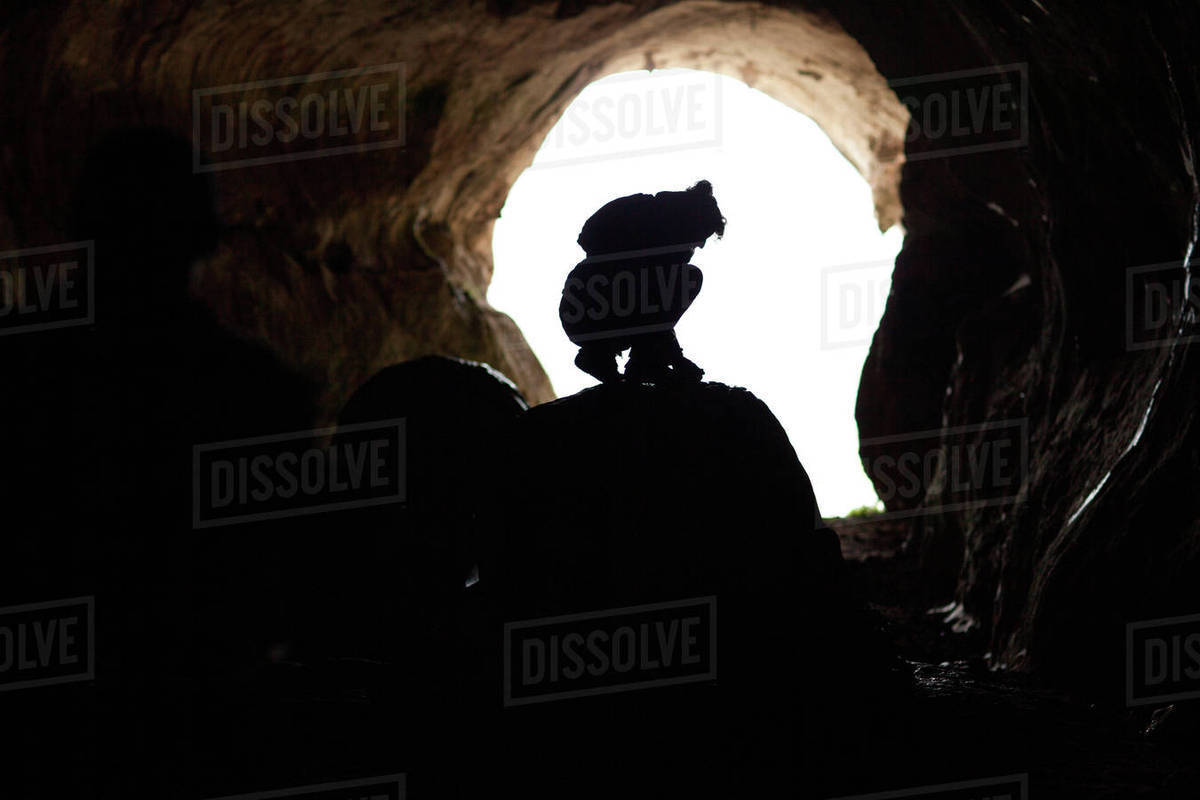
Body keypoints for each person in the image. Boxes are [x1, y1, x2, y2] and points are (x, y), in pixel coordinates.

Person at [559, 179, 725, 383]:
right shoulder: (657, 246)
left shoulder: (642, 214)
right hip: (593, 313)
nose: (700, 245)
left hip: (577, 314)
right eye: (701, 235)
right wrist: (676, 359)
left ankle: (602, 355)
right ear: (690, 222)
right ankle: (638, 361)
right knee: (690, 278)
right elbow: (653, 310)